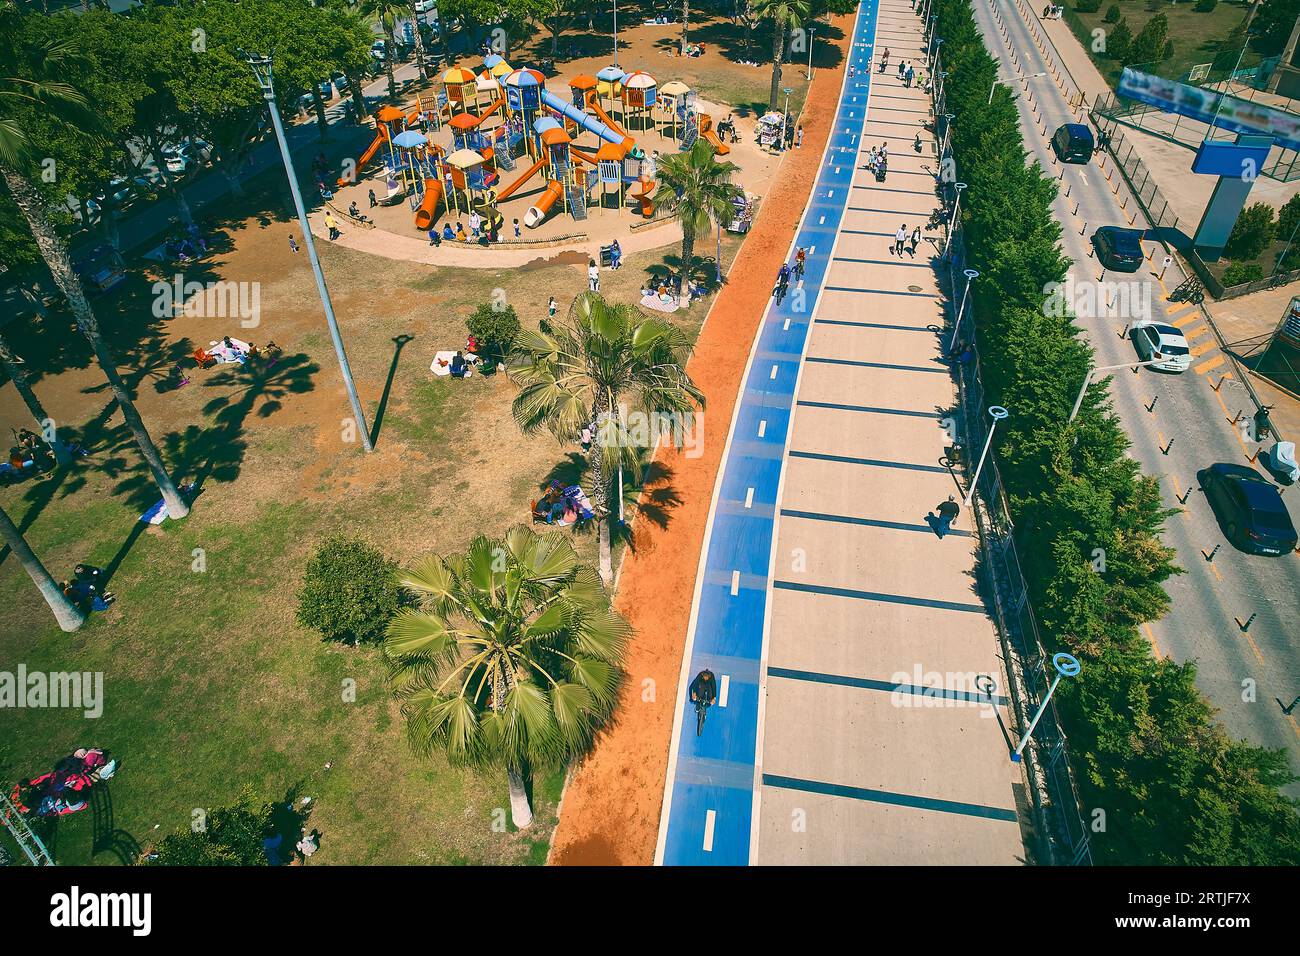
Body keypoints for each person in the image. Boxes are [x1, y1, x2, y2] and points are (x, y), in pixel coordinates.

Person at [689, 669, 717, 734]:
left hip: (709, 686)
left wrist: (714, 698)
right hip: (701, 684)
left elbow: (714, 687)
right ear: (703, 675)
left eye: (707, 677)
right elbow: (694, 685)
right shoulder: (700, 675)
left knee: (710, 691)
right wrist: (694, 694)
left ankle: (707, 703)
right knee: (700, 690)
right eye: (705, 677)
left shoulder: (711, 677)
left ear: (709, 676)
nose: (706, 678)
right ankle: (697, 703)